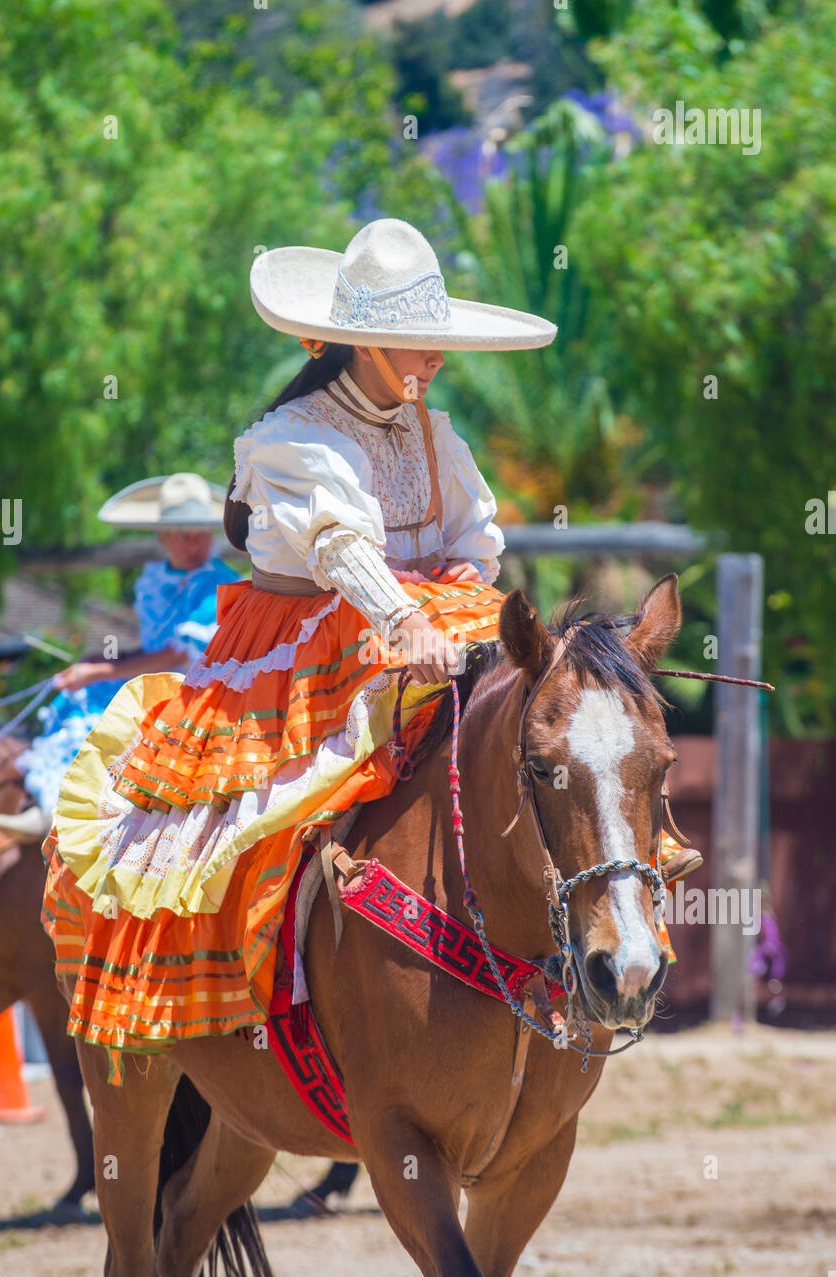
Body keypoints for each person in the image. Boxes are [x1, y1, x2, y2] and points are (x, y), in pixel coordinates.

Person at [40, 217, 697, 1082]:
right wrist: (404, 618)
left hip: (427, 623)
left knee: (548, 721)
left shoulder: (434, 429)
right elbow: (339, 548)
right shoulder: (293, 437)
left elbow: (474, 535)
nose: (433, 360)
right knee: (261, 812)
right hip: (304, 649)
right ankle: (249, 997)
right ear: (366, 345)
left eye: (434, 345)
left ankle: (593, 881)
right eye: (416, 345)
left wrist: (455, 583)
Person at [0, 474, 238, 842]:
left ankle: (58, 813)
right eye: (184, 535)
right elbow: (157, 649)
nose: (195, 544)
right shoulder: (156, 581)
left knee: (100, 710)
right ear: (163, 536)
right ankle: (52, 799)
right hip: (159, 679)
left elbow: (175, 653)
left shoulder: (217, 582)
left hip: (194, 692)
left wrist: (99, 670)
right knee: (82, 700)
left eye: (201, 533)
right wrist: (100, 661)